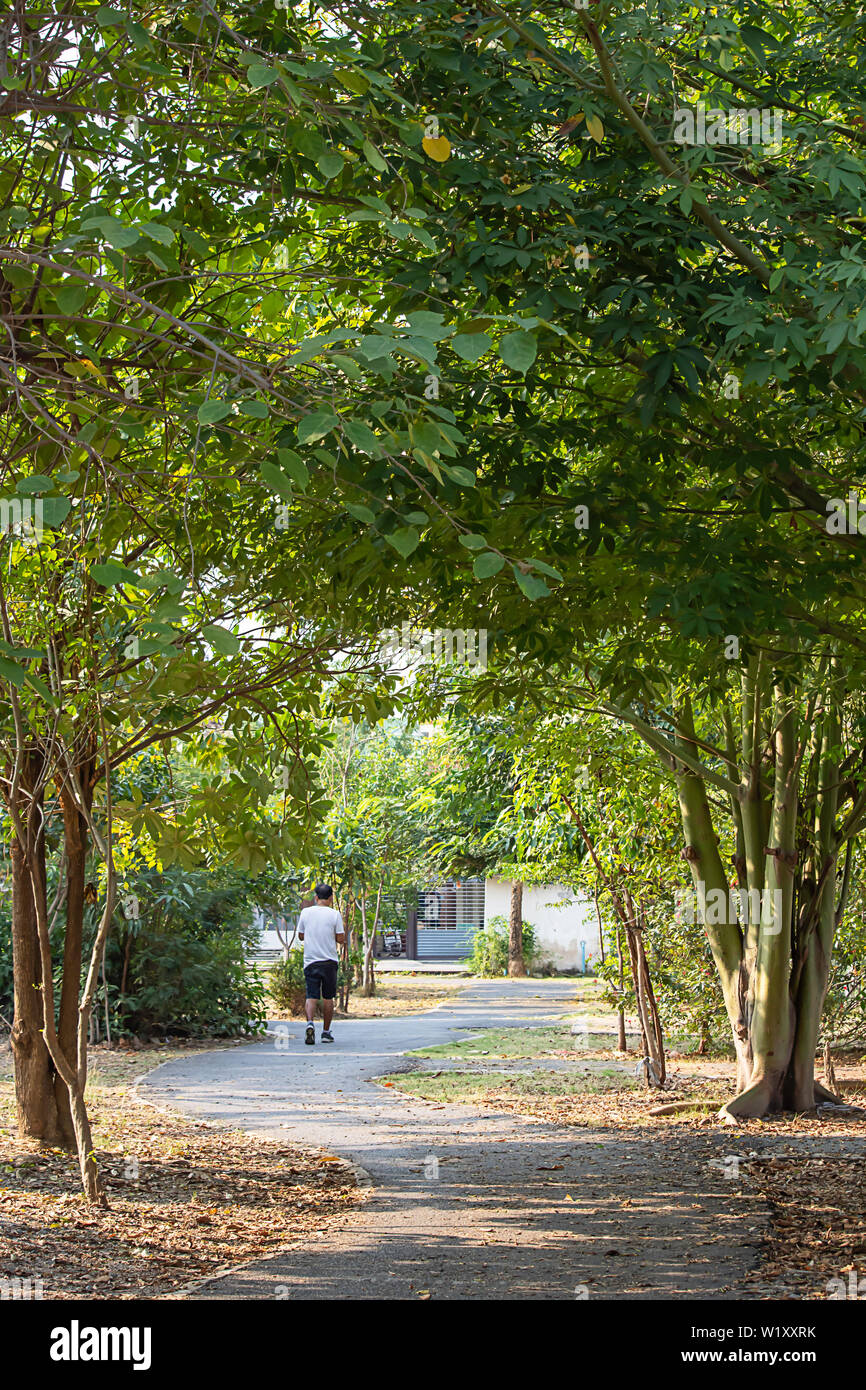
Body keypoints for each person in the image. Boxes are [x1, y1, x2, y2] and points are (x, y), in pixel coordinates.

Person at [297, 883, 345, 1045]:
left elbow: (301, 936)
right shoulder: (335, 914)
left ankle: (310, 1023)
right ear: (331, 898)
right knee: (328, 997)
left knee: (311, 996)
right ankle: (325, 1032)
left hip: (311, 961)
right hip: (329, 961)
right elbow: (340, 938)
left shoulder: (305, 912)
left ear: (316, 897)